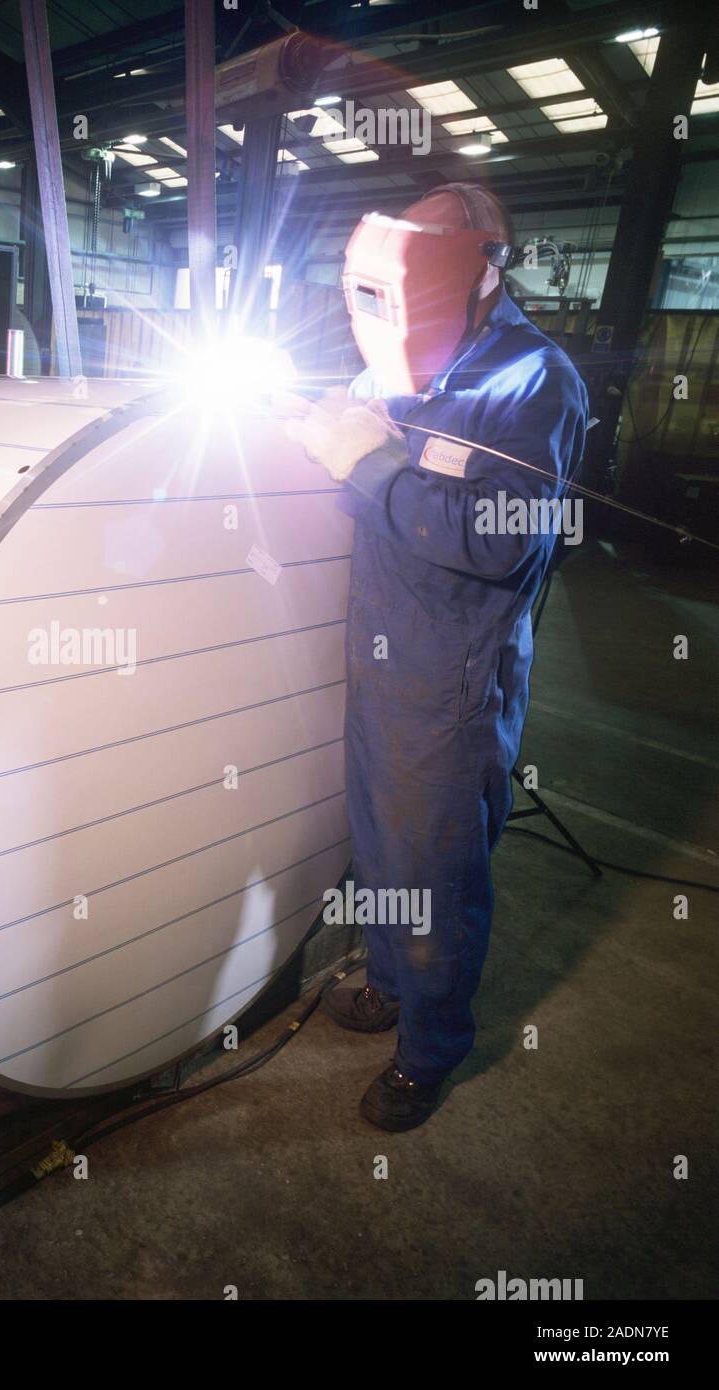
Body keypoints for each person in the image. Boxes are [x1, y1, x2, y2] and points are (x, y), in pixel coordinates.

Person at [286, 183, 589, 1131]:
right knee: (379, 849)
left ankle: (431, 1049)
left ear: (486, 273)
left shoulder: (536, 382)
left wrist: (368, 463)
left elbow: (503, 538)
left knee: (435, 876)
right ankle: (387, 984)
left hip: (452, 683)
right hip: (380, 659)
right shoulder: (399, 361)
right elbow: (369, 494)